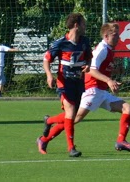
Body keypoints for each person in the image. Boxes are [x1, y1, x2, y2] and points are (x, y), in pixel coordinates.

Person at [65, 22, 130, 152]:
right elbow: (91, 70)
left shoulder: (109, 49)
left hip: (101, 91)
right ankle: (48, 130)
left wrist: (116, 71)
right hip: (92, 89)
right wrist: (109, 81)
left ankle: (121, 141)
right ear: (106, 36)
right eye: (115, 35)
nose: (118, 38)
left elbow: (102, 68)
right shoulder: (102, 49)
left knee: (128, 108)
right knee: (75, 118)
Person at [38, 13, 90, 157]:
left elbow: (89, 58)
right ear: (76, 25)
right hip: (64, 82)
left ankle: (48, 121)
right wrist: (49, 75)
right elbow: (47, 59)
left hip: (78, 83)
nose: (85, 26)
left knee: (71, 117)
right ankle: (71, 148)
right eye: (83, 23)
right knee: (71, 112)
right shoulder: (61, 43)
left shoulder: (85, 41)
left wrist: (88, 66)